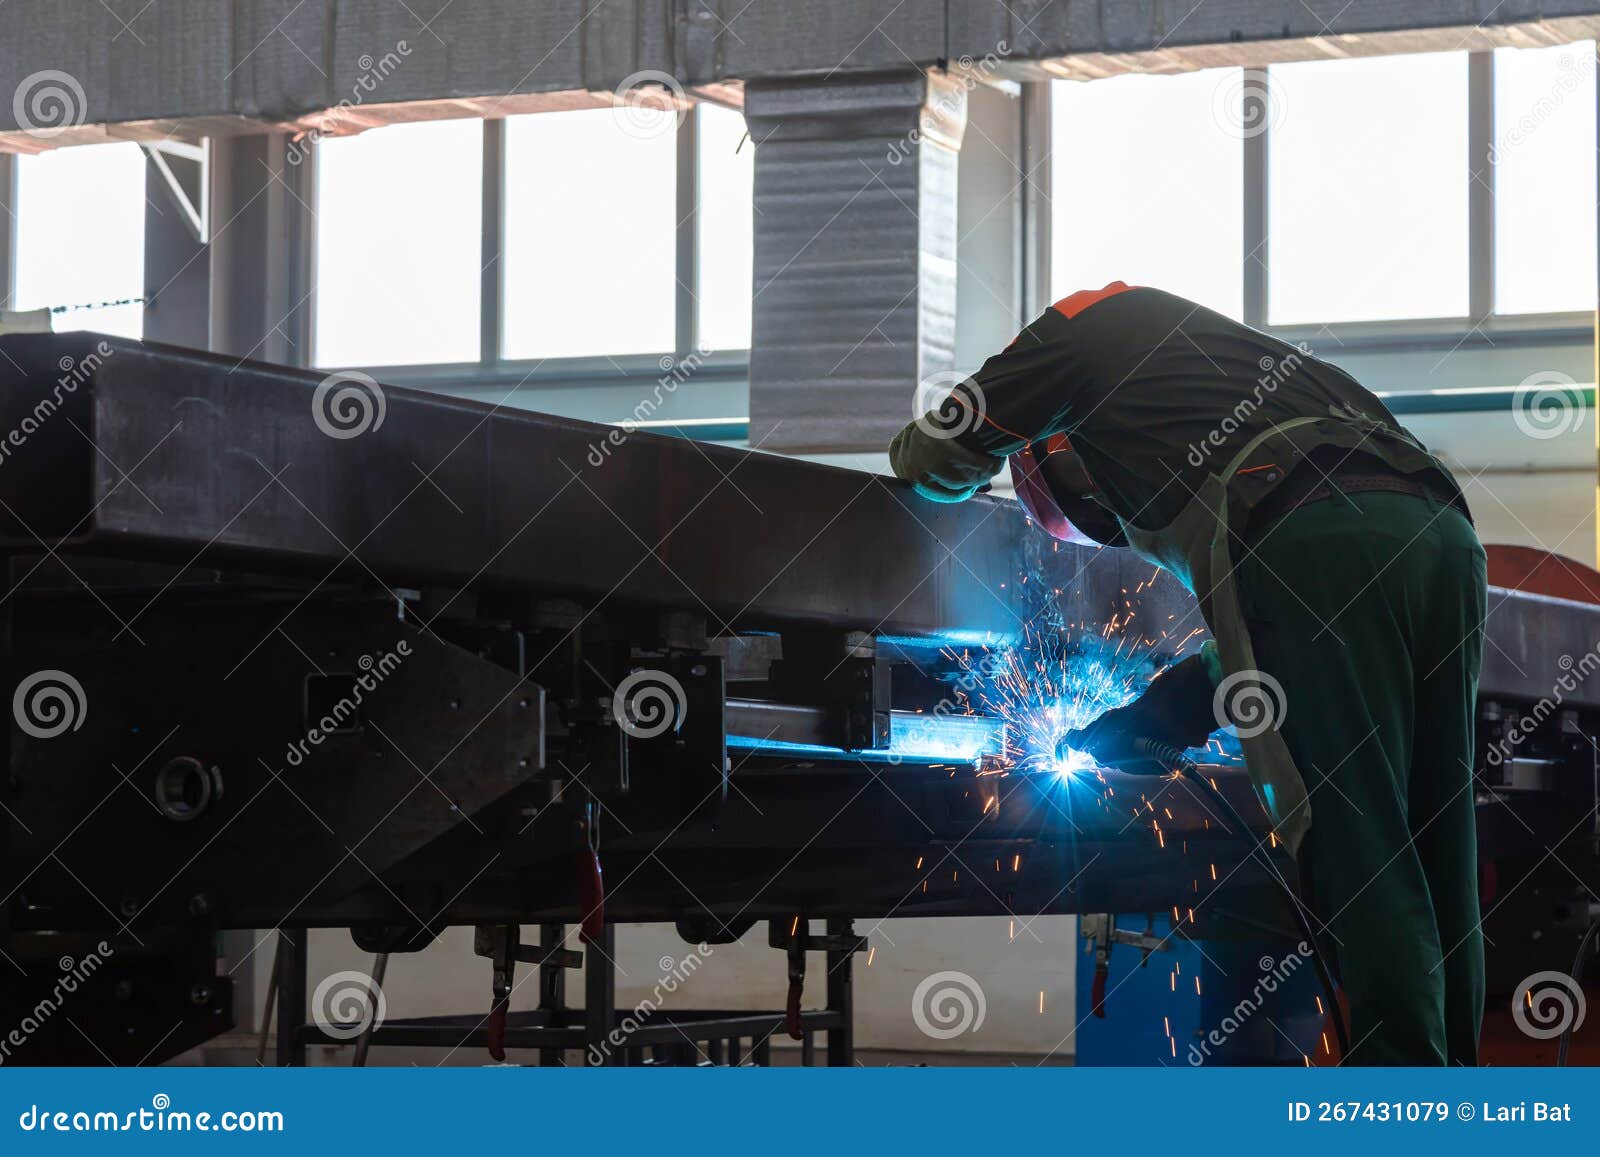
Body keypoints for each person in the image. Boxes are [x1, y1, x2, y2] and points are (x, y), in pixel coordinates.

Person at [889, 282, 1487, 1065]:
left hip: (1310, 541)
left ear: (1057, 451)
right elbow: (1286, 640)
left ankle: (1400, 1100)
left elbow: (936, 450)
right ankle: (1459, 1096)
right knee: (1439, 840)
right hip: (1444, 537)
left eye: (1097, 513)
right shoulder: (1233, 370)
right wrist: (1165, 710)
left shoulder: (1074, 334)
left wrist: (920, 467)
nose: (1112, 522)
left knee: (1354, 843)